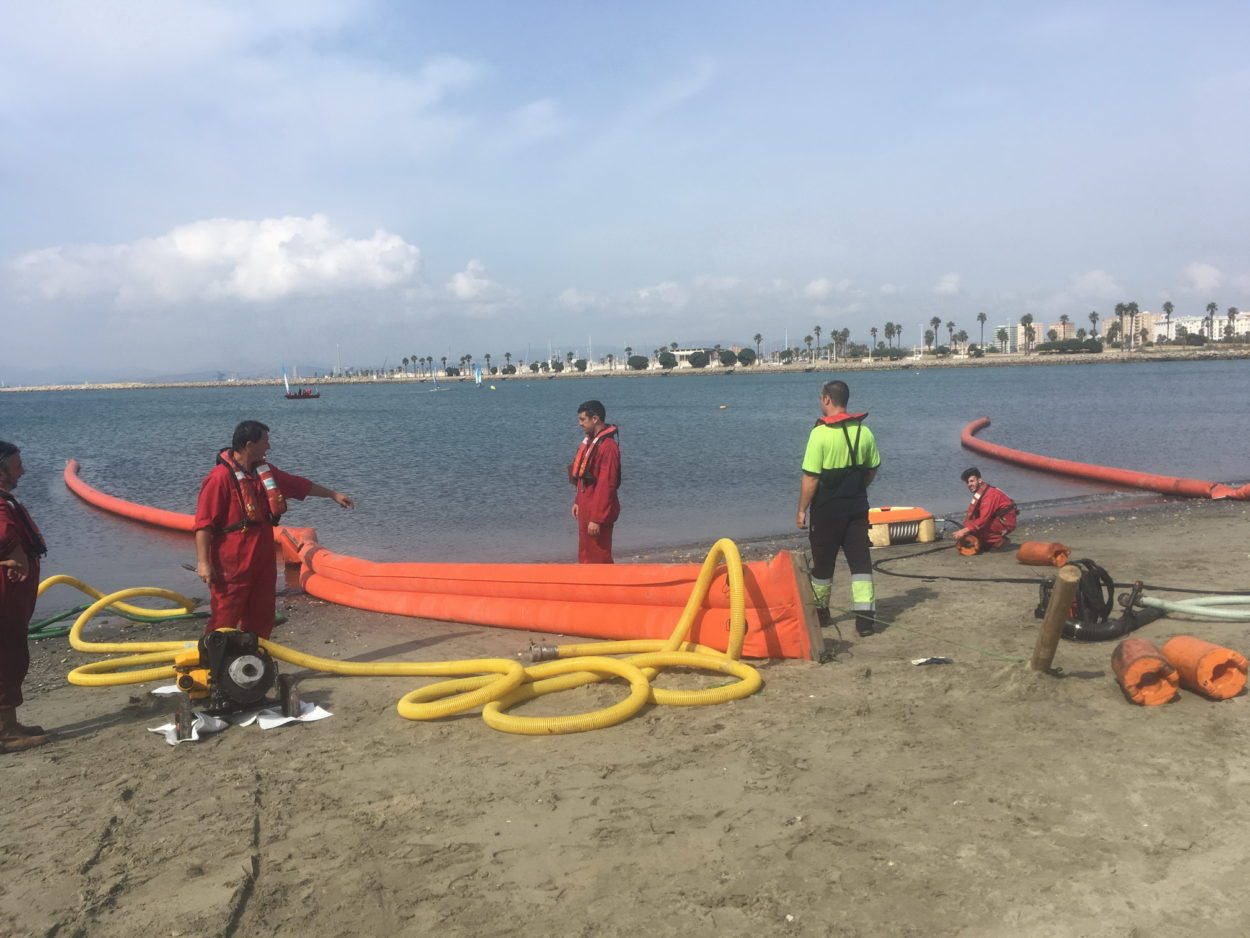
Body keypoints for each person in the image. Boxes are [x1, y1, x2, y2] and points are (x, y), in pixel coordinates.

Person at [194, 421, 353, 638]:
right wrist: (204, 563)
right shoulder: (219, 478)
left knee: (262, 615)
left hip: (262, 558)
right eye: (265, 442)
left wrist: (332, 494)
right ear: (250, 445)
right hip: (232, 562)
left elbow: (298, 485)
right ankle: (216, 666)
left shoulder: (265, 473)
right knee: (225, 616)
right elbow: (204, 525)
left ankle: (256, 663)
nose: (269, 447)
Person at [796, 381, 881, 637]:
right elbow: (872, 467)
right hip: (856, 506)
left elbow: (811, 478)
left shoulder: (819, 434)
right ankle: (865, 621)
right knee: (860, 563)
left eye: (820, 399)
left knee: (823, 566)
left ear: (827, 400)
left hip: (826, 510)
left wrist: (802, 509)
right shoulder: (864, 432)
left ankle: (821, 613)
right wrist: (857, 487)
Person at [0, 441, 51, 752]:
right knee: (7, 655)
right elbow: (4, 535)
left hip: (15, 599)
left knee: (13, 653)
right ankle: (5, 732)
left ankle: (10, 723)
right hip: (5, 599)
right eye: (17, 466)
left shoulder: (6, 501)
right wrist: (10, 552)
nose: (23, 471)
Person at [569, 400, 621, 563]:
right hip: (586, 505)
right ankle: (585, 585)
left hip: (598, 512)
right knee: (585, 552)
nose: (580, 424)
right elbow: (584, 477)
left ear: (595, 419)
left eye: (583, 419)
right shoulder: (591, 443)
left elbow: (607, 485)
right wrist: (578, 501)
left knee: (598, 555)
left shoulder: (608, 447)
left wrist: (597, 518)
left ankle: (605, 585)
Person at [952, 467, 1017, 552]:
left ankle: (1000, 542)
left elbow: (983, 520)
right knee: (969, 525)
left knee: (978, 528)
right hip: (997, 520)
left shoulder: (989, 495)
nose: (969, 484)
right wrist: (967, 527)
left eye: (972, 481)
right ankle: (989, 540)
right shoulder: (982, 492)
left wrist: (963, 531)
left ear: (979, 480)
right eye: (967, 482)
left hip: (1006, 522)